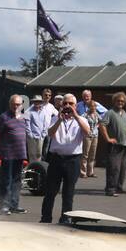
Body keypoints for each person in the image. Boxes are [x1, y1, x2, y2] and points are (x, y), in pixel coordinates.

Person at [42, 94, 91, 223]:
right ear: (61, 105)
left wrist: (75, 116)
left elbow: (87, 133)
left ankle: (65, 218)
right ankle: (46, 218)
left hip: (73, 160)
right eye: (65, 104)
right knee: (51, 191)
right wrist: (59, 119)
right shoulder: (55, 118)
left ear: (76, 106)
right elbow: (50, 134)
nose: (68, 106)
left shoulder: (81, 119)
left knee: (68, 192)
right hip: (56, 158)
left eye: (71, 104)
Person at [0, 94, 28, 214]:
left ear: (21, 105)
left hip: (20, 154)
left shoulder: (24, 117)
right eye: (14, 104)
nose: (16, 106)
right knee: (6, 181)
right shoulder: (4, 117)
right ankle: (3, 206)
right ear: (10, 104)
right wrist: (2, 148)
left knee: (17, 181)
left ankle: (14, 205)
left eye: (18, 104)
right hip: (8, 154)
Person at [100, 92, 126, 197]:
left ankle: (119, 187)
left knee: (122, 168)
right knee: (113, 168)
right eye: (118, 100)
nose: (120, 102)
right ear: (114, 101)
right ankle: (110, 189)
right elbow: (102, 125)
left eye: (122, 101)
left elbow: (125, 126)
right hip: (114, 145)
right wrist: (107, 138)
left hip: (124, 144)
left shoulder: (124, 113)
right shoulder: (110, 113)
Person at [24, 94, 55, 164]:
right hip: (32, 137)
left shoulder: (43, 112)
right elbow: (27, 125)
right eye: (36, 102)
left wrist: (43, 135)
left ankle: (37, 168)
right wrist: (30, 135)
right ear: (33, 102)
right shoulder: (29, 112)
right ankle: (32, 168)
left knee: (39, 154)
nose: (37, 103)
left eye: (38, 102)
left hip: (41, 136)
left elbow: (45, 124)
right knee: (32, 154)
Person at [77, 90, 100, 178]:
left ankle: (91, 171)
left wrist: (97, 127)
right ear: (89, 107)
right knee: (85, 154)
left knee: (92, 154)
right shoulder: (85, 115)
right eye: (92, 106)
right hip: (87, 136)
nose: (93, 107)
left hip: (95, 135)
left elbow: (101, 121)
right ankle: (83, 172)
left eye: (94, 106)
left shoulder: (97, 114)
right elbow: (80, 120)